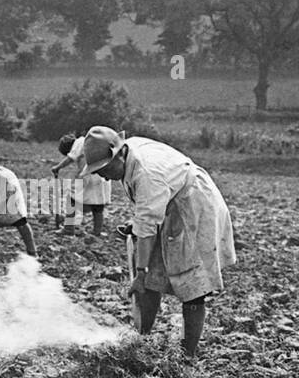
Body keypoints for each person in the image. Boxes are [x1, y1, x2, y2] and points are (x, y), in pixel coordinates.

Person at [83, 126, 237, 358]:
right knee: (150, 279)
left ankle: (188, 356)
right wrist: (137, 227)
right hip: (170, 205)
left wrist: (140, 272)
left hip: (193, 207)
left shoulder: (146, 172)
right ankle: (141, 340)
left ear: (119, 154)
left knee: (193, 283)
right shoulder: (130, 155)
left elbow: (147, 222)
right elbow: (147, 212)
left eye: (104, 168)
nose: (101, 176)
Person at [49, 133, 112, 237]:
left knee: (71, 200)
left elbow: (70, 158)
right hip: (103, 175)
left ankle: (68, 228)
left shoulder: (79, 143)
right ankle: (97, 232)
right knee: (98, 206)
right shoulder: (90, 141)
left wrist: (57, 167)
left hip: (88, 175)